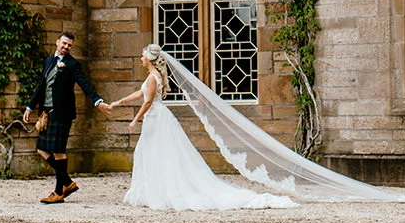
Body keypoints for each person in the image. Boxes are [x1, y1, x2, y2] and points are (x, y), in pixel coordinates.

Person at [107, 44, 296, 209]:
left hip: (155, 117)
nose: (140, 58)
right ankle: (152, 192)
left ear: (149, 58)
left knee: (151, 152)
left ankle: (157, 192)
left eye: (142, 55)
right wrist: (120, 101)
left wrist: (135, 120)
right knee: (155, 152)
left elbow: (147, 101)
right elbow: (140, 95)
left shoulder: (152, 77)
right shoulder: (153, 76)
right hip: (158, 116)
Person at [21, 31, 111, 204]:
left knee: (58, 150)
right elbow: (42, 85)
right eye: (64, 43)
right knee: (42, 149)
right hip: (47, 112)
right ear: (57, 42)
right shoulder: (49, 61)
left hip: (63, 113)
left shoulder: (72, 64)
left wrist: (97, 100)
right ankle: (67, 182)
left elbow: (84, 84)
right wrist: (30, 106)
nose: (66, 47)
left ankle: (58, 192)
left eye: (69, 45)